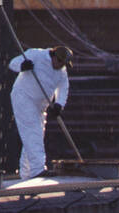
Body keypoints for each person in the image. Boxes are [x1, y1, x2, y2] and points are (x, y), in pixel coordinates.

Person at [8, 44, 72, 179]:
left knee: (34, 136)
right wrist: (22, 66)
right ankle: (37, 170)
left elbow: (63, 87)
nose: (61, 65)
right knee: (33, 133)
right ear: (54, 56)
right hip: (24, 97)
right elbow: (13, 63)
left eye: (64, 63)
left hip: (41, 105)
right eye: (60, 62)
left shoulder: (62, 71)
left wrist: (59, 105)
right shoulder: (36, 54)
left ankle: (26, 173)